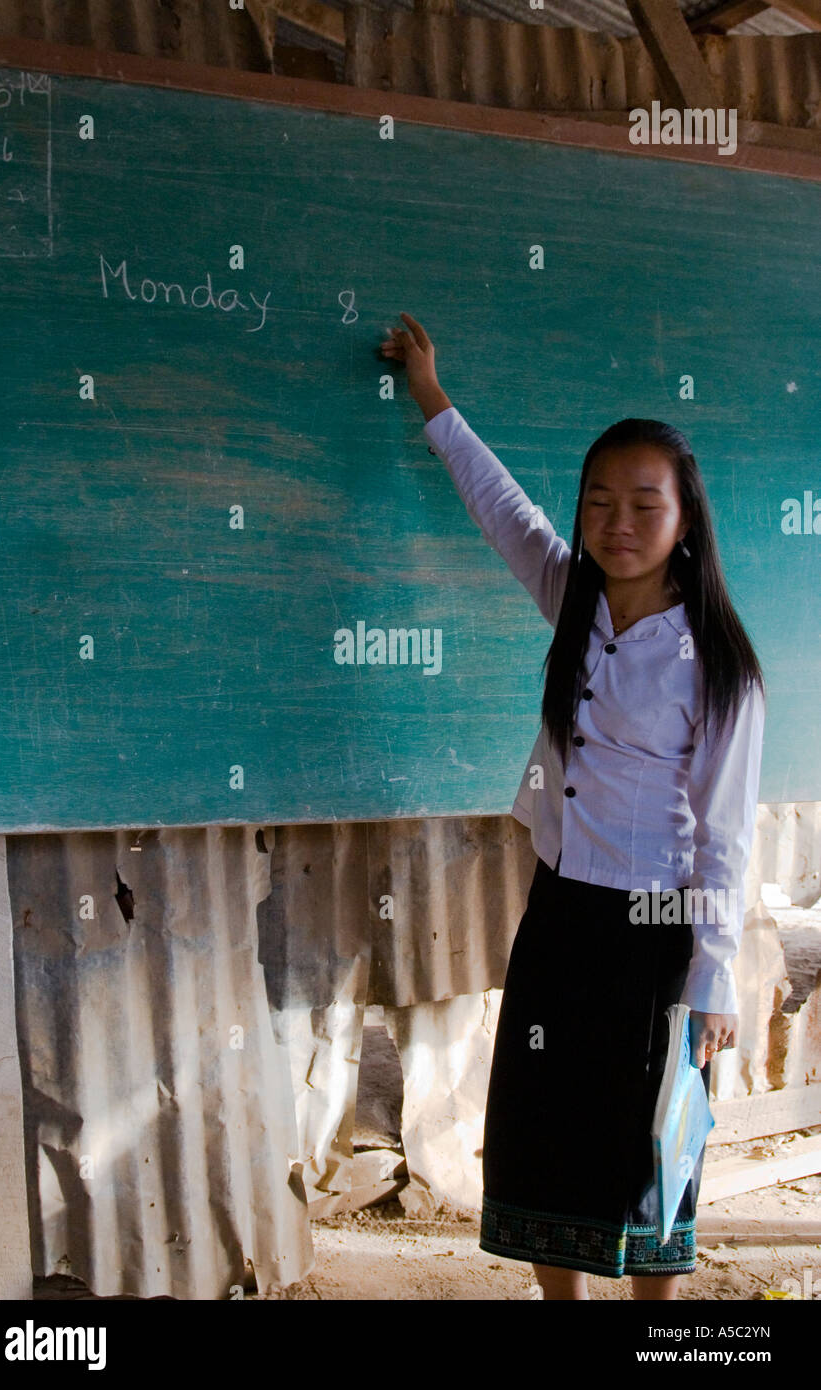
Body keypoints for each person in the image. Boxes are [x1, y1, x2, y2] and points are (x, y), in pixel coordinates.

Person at [379, 312, 766, 1301]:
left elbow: (722, 838)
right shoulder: (573, 603)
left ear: (686, 519)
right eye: (597, 500)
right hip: (560, 912)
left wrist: (712, 976)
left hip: (654, 926)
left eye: (643, 501)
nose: (615, 521)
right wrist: (431, 394)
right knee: (543, 1125)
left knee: (644, 1140)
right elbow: (504, 512)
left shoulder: (714, 666)